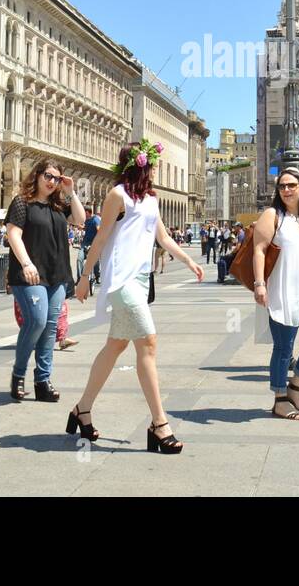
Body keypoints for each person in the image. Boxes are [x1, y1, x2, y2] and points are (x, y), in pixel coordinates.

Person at [71, 142, 202, 452]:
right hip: (121, 280)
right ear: (140, 166)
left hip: (141, 279)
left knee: (116, 345)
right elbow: (101, 237)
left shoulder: (150, 200)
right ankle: (159, 424)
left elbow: (163, 237)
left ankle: (82, 410)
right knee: (148, 342)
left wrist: (188, 261)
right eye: (152, 164)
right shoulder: (117, 196)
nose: (155, 169)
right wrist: (85, 277)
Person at [4, 158, 86, 403]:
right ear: (37, 175)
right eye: (48, 176)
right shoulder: (22, 202)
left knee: (50, 328)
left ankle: (42, 381)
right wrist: (27, 263)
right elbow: (13, 234)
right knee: (37, 321)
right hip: (29, 274)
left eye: (57, 178)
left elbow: (80, 220)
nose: (52, 182)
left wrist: (71, 192)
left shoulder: (59, 205)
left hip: (57, 274)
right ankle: (18, 374)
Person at [252, 167, 299, 421]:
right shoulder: (273, 215)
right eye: (282, 186)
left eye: (291, 185)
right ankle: (280, 400)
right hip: (282, 289)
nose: (286, 190)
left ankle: (295, 386)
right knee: (284, 348)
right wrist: (259, 283)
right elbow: (259, 250)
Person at [78, 207, 101, 284]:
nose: (84, 214)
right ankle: (79, 278)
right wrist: (80, 227)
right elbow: (86, 228)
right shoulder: (86, 220)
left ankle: (97, 276)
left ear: (89, 212)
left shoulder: (95, 219)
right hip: (85, 243)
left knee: (95, 261)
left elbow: (98, 229)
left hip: (94, 244)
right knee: (79, 259)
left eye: (85, 213)